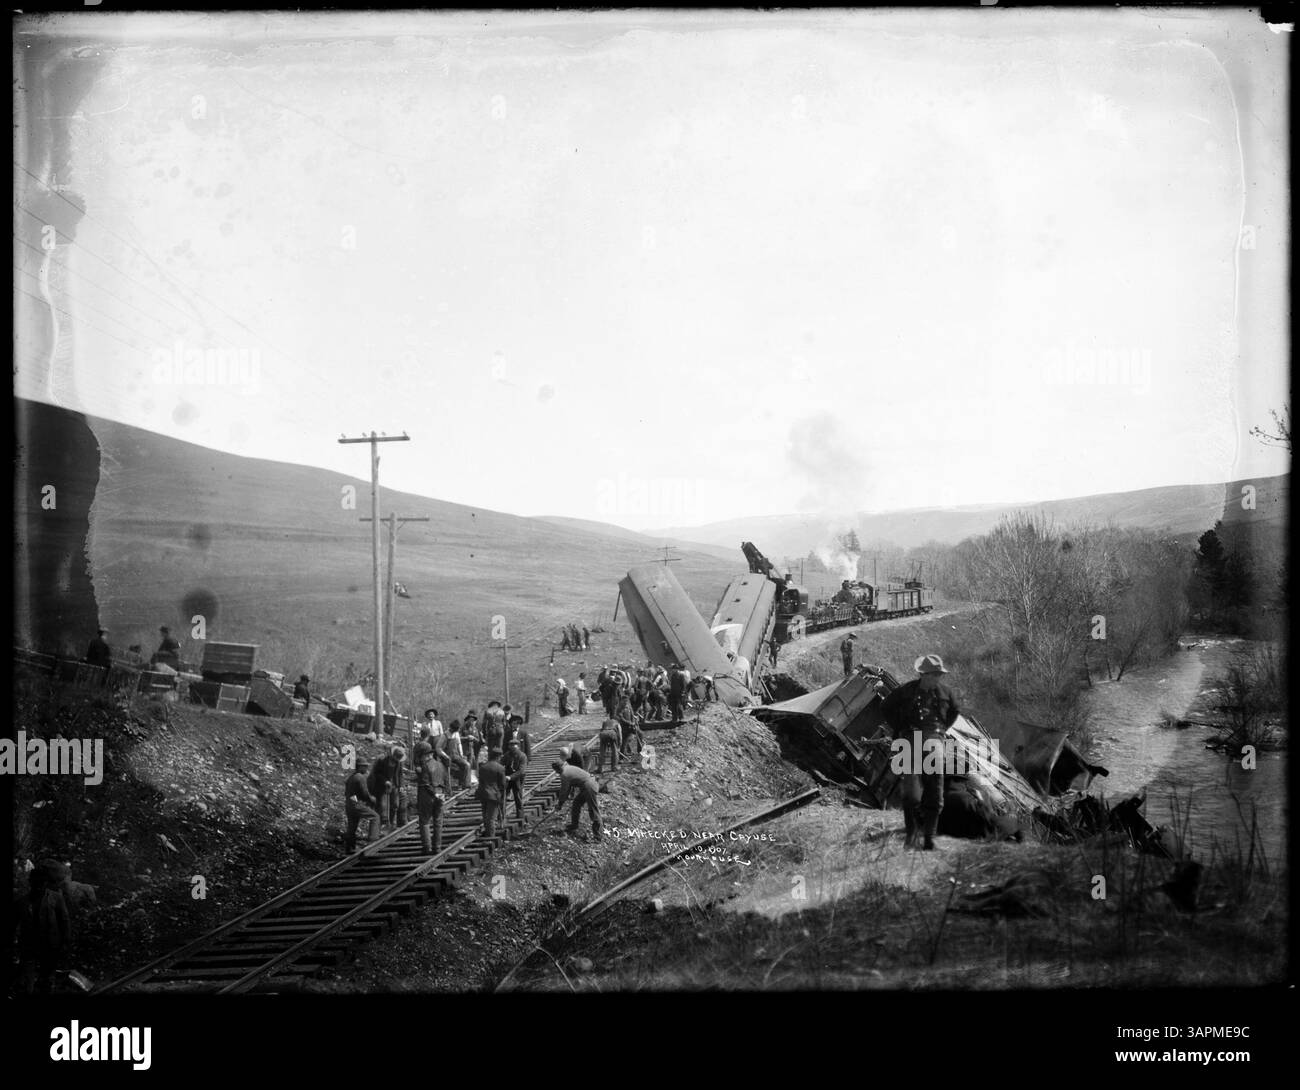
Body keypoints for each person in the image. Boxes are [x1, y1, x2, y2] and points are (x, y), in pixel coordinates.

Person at [880, 654, 960, 851]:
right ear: (922, 674)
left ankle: (929, 838)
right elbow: (886, 707)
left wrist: (940, 732)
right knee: (912, 794)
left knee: (935, 792)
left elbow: (954, 712)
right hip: (910, 740)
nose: (936, 678)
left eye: (938, 675)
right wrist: (900, 728)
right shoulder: (906, 691)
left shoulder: (947, 693)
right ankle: (911, 835)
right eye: (932, 674)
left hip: (934, 742)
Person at [16, 859, 73, 993]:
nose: (38, 886)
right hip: (29, 945)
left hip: (50, 944)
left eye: (41, 883)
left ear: (45, 883)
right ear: (31, 882)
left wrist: (66, 941)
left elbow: (64, 921)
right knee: (27, 981)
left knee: (46, 978)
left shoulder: (56, 898)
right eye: (35, 883)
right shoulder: (22, 902)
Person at [415, 737, 449, 854]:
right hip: (440, 794)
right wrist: (442, 794)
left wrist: (433, 794)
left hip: (428, 796)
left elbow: (425, 783)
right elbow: (446, 781)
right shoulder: (440, 765)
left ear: (424, 755)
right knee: (438, 821)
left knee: (424, 821)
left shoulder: (424, 766)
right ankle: (437, 847)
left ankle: (427, 847)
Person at [552, 760, 602, 841]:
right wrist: (561, 802)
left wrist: (560, 804)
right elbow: (568, 790)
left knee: (593, 811)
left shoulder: (564, 774)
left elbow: (564, 791)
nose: (557, 773)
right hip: (588, 785)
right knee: (576, 804)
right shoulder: (568, 767)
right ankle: (574, 825)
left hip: (589, 786)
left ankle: (597, 837)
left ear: (558, 769)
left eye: (556, 771)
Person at [344, 759, 381, 852]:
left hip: (349, 804)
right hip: (356, 804)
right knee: (375, 817)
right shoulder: (360, 777)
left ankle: (350, 848)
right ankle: (373, 841)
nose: (366, 768)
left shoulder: (351, 777)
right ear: (359, 766)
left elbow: (347, 793)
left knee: (352, 827)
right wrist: (372, 799)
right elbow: (365, 793)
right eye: (364, 766)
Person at [475, 748, 507, 837]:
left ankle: (487, 833)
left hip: (483, 794)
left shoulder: (483, 767)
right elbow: (503, 784)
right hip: (493, 795)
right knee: (492, 818)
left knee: (485, 815)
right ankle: (491, 836)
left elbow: (480, 780)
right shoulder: (500, 768)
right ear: (498, 757)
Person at [503, 738, 528, 819]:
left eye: (515, 745)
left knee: (517, 796)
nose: (513, 747)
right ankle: (502, 815)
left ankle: (520, 815)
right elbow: (501, 763)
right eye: (512, 745)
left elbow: (521, 770)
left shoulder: (522, 756)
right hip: (508, 777)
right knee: (503, 795)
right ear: (509, 746)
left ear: (518, 746)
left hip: (518, 778)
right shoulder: (507, 755)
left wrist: (511, 777)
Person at [444, 721, 471, 788]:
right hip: (447, 756)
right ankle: (448, 785)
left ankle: (465, 784)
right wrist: (445, 756)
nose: (454, 732)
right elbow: (438, 748)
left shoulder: (456, 734)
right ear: (451, 728)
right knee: (452, 769)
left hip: (456, 755)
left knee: (467, 765)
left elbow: (459, 744)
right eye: (454, 730)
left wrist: (461, 754)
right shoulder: (445, 735)